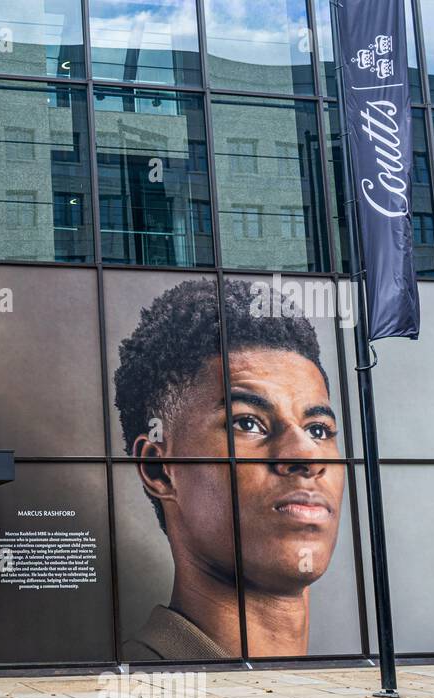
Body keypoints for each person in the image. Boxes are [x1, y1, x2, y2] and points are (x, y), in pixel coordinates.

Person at [114, 277, 345, 660]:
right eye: (247, 423)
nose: (309, 456)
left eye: (318, 430)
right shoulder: (145, 694)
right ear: (159, 469)